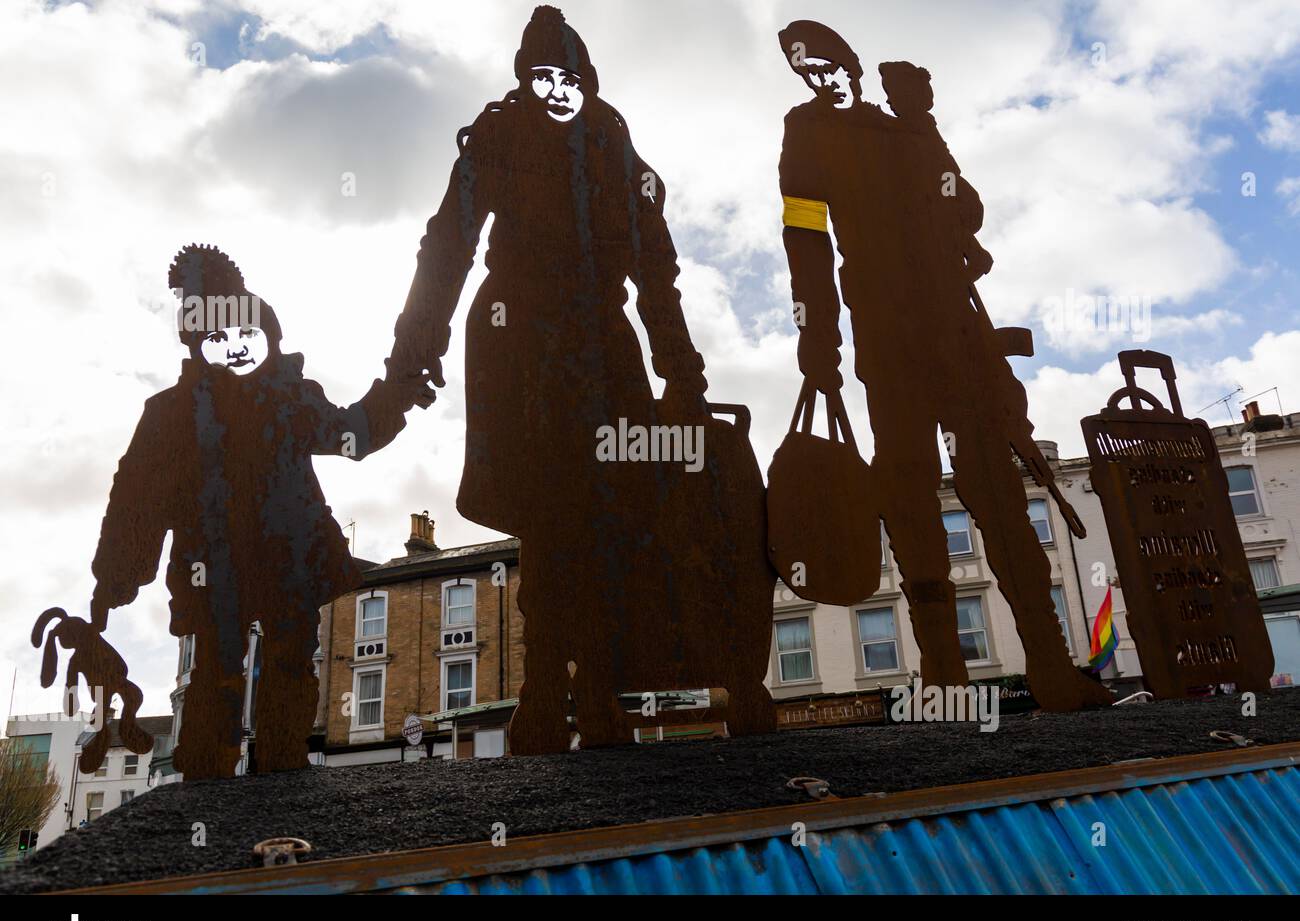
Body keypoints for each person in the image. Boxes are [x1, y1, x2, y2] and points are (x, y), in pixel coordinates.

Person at [391, 6, 732, 753]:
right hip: (518, 339)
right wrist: (415, 347)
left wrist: (682, 373)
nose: (554, 89)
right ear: (524, 80)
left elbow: (658, 273)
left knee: (613, 509)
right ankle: (550, 686)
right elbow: (447, 244)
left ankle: (592, 688)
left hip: (603, 340)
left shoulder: (620, 155)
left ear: (589, 80)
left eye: (567, 76)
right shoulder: (497, 137)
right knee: (549, 513)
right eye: (540, 75)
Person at [776, 21, 1111, 711]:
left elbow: (968, 208)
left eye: (829, 64)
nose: (822, 78)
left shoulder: (903, 128)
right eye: (807, 70)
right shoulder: (806, 133)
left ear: (852, 64)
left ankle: (1050, 664)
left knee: (994, 485)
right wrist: (819, 340)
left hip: (954, 331)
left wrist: (923, 123)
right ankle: (944, 671)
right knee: (907, 487)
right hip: (884, 335)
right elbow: (805, 239)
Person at [88, 244, 433, 779]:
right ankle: (211, 772)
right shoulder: (172, 413)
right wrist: (116, 577)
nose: (235, 347)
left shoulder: (288, 398)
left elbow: (351, 434)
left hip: (286, 556)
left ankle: (279, 764)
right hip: (215, 563)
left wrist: (397, 392)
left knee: (289, 661)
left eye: (246, 333)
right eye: (217, 338)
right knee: (219, 668)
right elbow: (136, 498)